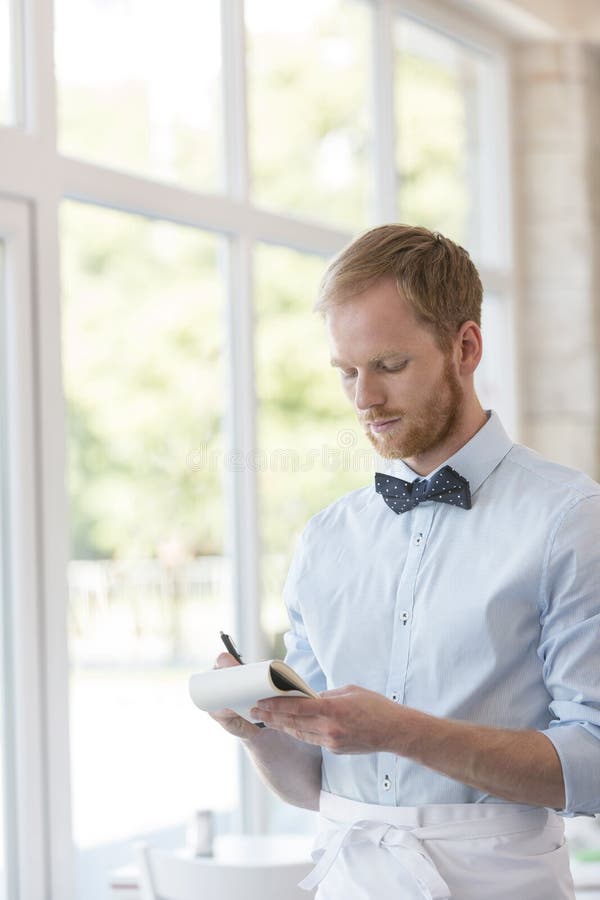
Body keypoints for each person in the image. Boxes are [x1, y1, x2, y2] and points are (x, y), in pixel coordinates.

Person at [211, 224, 600, 899]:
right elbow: (313, 782)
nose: (364, 399)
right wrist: (257, 730)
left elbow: (594, 765)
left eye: (389, 366)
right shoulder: (325, 541)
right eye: (347, 373)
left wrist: (404, 733)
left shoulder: (570, 519)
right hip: (349, 878)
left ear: (465, 347)